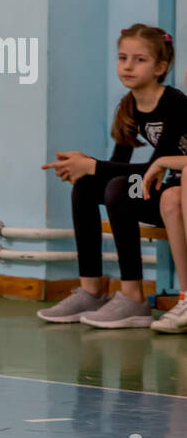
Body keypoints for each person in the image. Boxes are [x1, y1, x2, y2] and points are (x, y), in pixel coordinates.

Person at [40, 24, 187, 328]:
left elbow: (156, 167)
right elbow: (120, 163)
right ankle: (91, 290)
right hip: (155, 191)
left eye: (139, 60)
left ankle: (133, 297)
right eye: (122, 58)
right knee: (86, 186)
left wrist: (93, 164)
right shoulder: (129, 105)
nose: (128, 66)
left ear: (161, 67)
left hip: (177, 191)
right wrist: (85, 169)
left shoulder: (175, 103)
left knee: (118, 187)